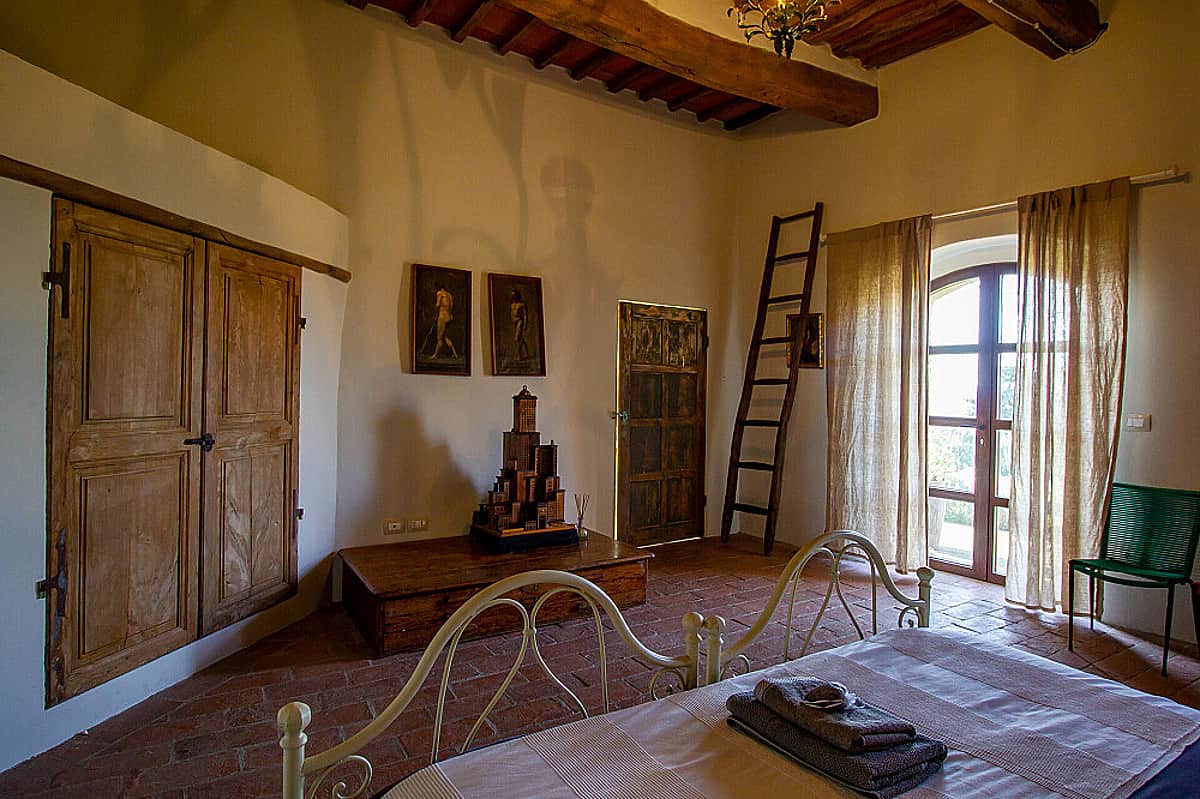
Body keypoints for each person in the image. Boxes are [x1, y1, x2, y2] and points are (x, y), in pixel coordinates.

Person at [431, 284, 458, 360]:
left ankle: (435, 355)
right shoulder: (449, 295)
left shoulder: (440, 293)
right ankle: (455, 353)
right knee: (445, 336)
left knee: (439, 337)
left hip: (442, 317)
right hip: (449, 317)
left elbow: (437, 305)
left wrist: (436, 316)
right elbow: (451, 306)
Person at [510, 289, 529, 360]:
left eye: (514, 295)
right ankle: (526, 353)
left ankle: (519, 355)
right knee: (521, 338)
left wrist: (525, 324)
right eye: (512, 296)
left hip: (520, 321)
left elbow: (525, 315)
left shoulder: (522, 304)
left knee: (517, 338)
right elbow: (511, 313)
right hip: (514, 322)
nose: (513, 297)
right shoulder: (512, 305)